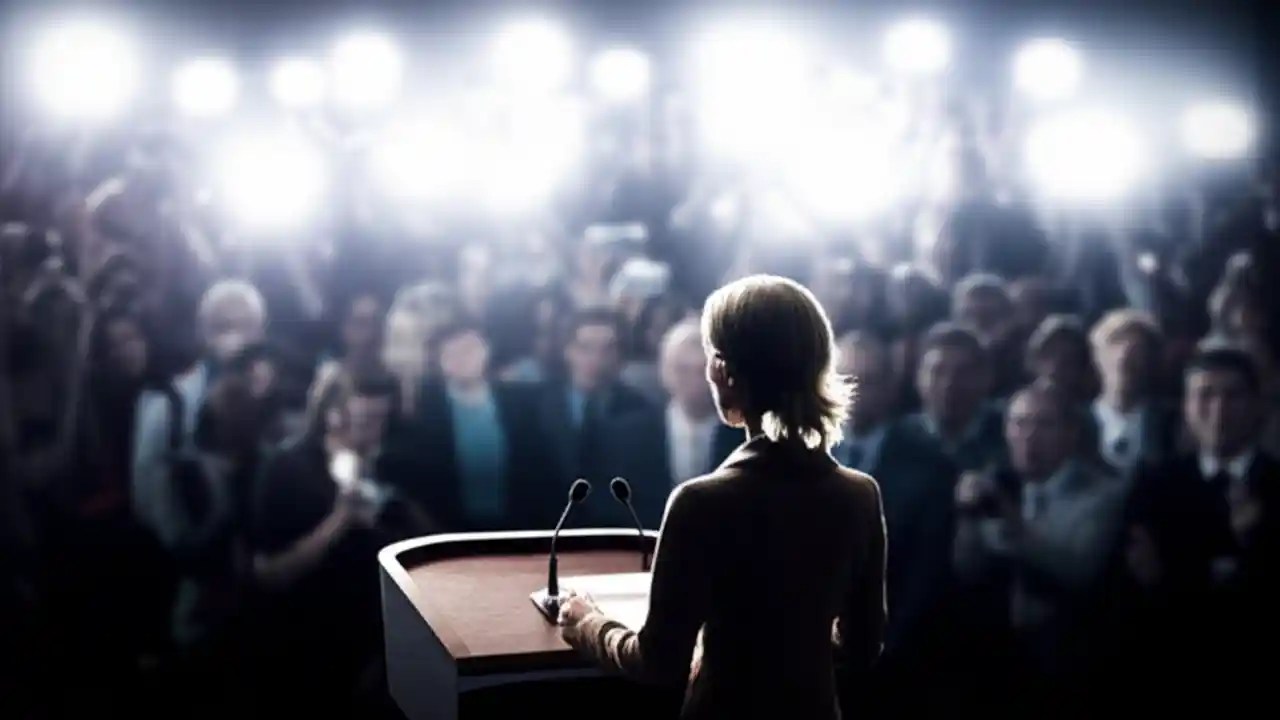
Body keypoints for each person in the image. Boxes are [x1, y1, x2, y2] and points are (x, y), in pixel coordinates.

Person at [557, 275, 886, 720]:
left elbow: (656, 663)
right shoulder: (860, 495)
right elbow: (863, 646)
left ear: (725, 372)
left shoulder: (701, 502)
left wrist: (587, 623)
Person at [250, 372, 424, 714]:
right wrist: (338, 521)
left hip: (374, 642)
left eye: (381, 419)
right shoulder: (286, 469)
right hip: (307, 642)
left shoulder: (381, 469)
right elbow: (269, 573)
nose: (375, 430)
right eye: (365, 419)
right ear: (333, 415)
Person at [1121, 344, 1279, 701]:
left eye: (1233, 396)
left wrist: (1257, 541)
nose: (1219, 410)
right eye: (1205, 396)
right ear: (1186, 408)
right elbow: (1140, 584)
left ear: (1259, 406)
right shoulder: (1154, 484)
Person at [953, 380, 1125, 706]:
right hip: (997, 665)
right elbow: (968, 571)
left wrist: (1016, 527)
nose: (1029, 435)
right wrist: (966, 516)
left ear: (1071, 433)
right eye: (1019, 423)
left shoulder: (1103, 494)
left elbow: (1080, 571)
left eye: (1044, 424)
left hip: (1073, 664)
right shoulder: (996, 483)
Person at [831, 332, 957, 713]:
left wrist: (880, 650)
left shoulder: (929, 465)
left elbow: (927, 575)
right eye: (844, 380)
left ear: (890, 387)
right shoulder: (797, 451)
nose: (854, 394)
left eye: (867, 381)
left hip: (891, 658)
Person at [132, 280, 266, 576]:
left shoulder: (280, 398)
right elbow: (146, 490)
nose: (235, 336)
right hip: (195, 564)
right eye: (223, 326)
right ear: (202, 332)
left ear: (261, 332)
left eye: (246, 325)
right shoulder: (169, 403)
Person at [406, 322, 552, 531]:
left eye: (470, 350)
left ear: (487, 351)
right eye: (452, 353)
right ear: (439, 361)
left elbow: (537, 466)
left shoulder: (519, 402)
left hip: (517, 523)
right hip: (451, 526)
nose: (463, 359)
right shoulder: (425, 412)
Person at [600, 319, 739, 528]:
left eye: (703, 370)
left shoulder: (744, 436)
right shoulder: (624, 436)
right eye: (682, 369)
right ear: (664, 371)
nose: (694, 380)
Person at [536, 308, 650, 486]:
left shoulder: (639, 408)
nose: (596, 358)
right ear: (567, 351)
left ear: (620, 355)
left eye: (607, 349)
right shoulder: (536, 404)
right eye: (585, 348)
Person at [904, 323, 1007, 472]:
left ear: (985, 378)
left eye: (963, 372)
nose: (949, 383)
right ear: (918, 378)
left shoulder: (1008, 433)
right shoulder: (897, 440)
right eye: (938, 372)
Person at [1088, 310, 1176, 474]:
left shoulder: (1171, 423)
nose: (1124, 355)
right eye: (1114, 344)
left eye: (1138, 349)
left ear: (1151, 361)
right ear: (1097, 356)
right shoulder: (1074, 422)